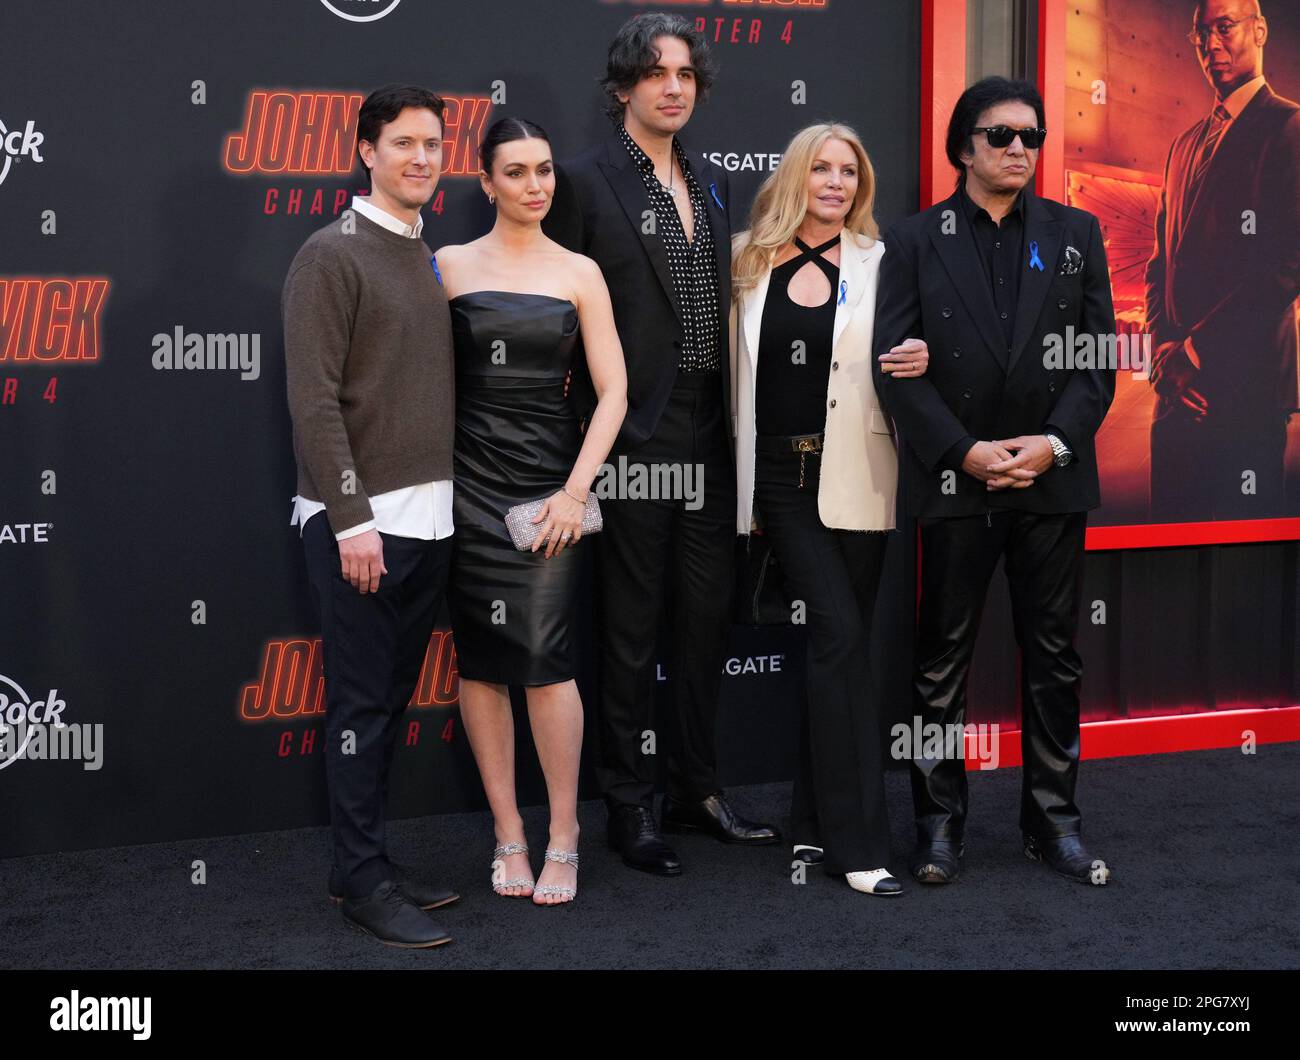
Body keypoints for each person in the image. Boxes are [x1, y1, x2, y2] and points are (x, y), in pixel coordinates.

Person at [545, 11, 778, 877]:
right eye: (654, 73)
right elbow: (554, 311)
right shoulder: (586, 181)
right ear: (623, 88)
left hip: (712, 435)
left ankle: (696, 789)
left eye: (684, 74)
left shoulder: (714, 180)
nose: (672, 86)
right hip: (633, 438)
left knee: (704, 624)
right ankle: (630, 804)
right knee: (631, 633)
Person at [872, 77, 1117, 886]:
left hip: (1050, 481)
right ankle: (939, 829)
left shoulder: (1078, 232)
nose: (1020, 150)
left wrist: (1052, 444)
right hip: (957, 482)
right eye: (1002, 135)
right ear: (963, 146)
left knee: (1053, 658)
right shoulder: (912, 241)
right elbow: (897, 367)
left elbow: (1096, 362)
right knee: (941, 660)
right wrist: (961, 452)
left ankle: (1054, 824)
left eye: (1032, 137)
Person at [731, 122, 930, 895]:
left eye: (850, 171)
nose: (837, 182)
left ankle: (811, 830)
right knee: (842, 639)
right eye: (822, 168)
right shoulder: (748, 256)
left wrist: (923, 356)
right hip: (779, 480)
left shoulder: (884, 261)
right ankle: (860, 846)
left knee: (835, 651)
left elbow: (918, 344)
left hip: (860, 474)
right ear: (796, 176)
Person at [283, 84, 460, 947]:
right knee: (358, 708)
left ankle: (365, 863)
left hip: (430, 523)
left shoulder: (425, 252)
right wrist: (352, 520)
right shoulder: (331, 253)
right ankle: (360, 882)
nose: (421, 158)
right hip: (361, 527)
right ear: (366, 150)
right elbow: (314, 403)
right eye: (403, 144)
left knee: (386, 706)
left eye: (433, 144)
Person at [434, 118, 627, 905]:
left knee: (547, 666)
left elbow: (613, 391)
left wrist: (574, 494)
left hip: (549, 491)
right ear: (486, 182)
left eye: (544, 170)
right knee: (480, 665)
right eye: (515, 172)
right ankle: (508, 832)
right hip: (464, 490)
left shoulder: (579, 271)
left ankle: (565, 834)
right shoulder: (446, 266)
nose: (535, 185)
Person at [1145, 0, 1300, 521]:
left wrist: (1193, 353)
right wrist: (1163, 353)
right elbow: (1160, 261)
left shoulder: (1290, 128)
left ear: (1259, 31)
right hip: (1174, 398)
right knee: (1166, 563)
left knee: (1242, 571)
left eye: (1225, 27)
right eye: (1200, 34)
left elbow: (1286, 265)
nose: (1211, 44)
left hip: (1245, 396)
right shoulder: (1184, 145)